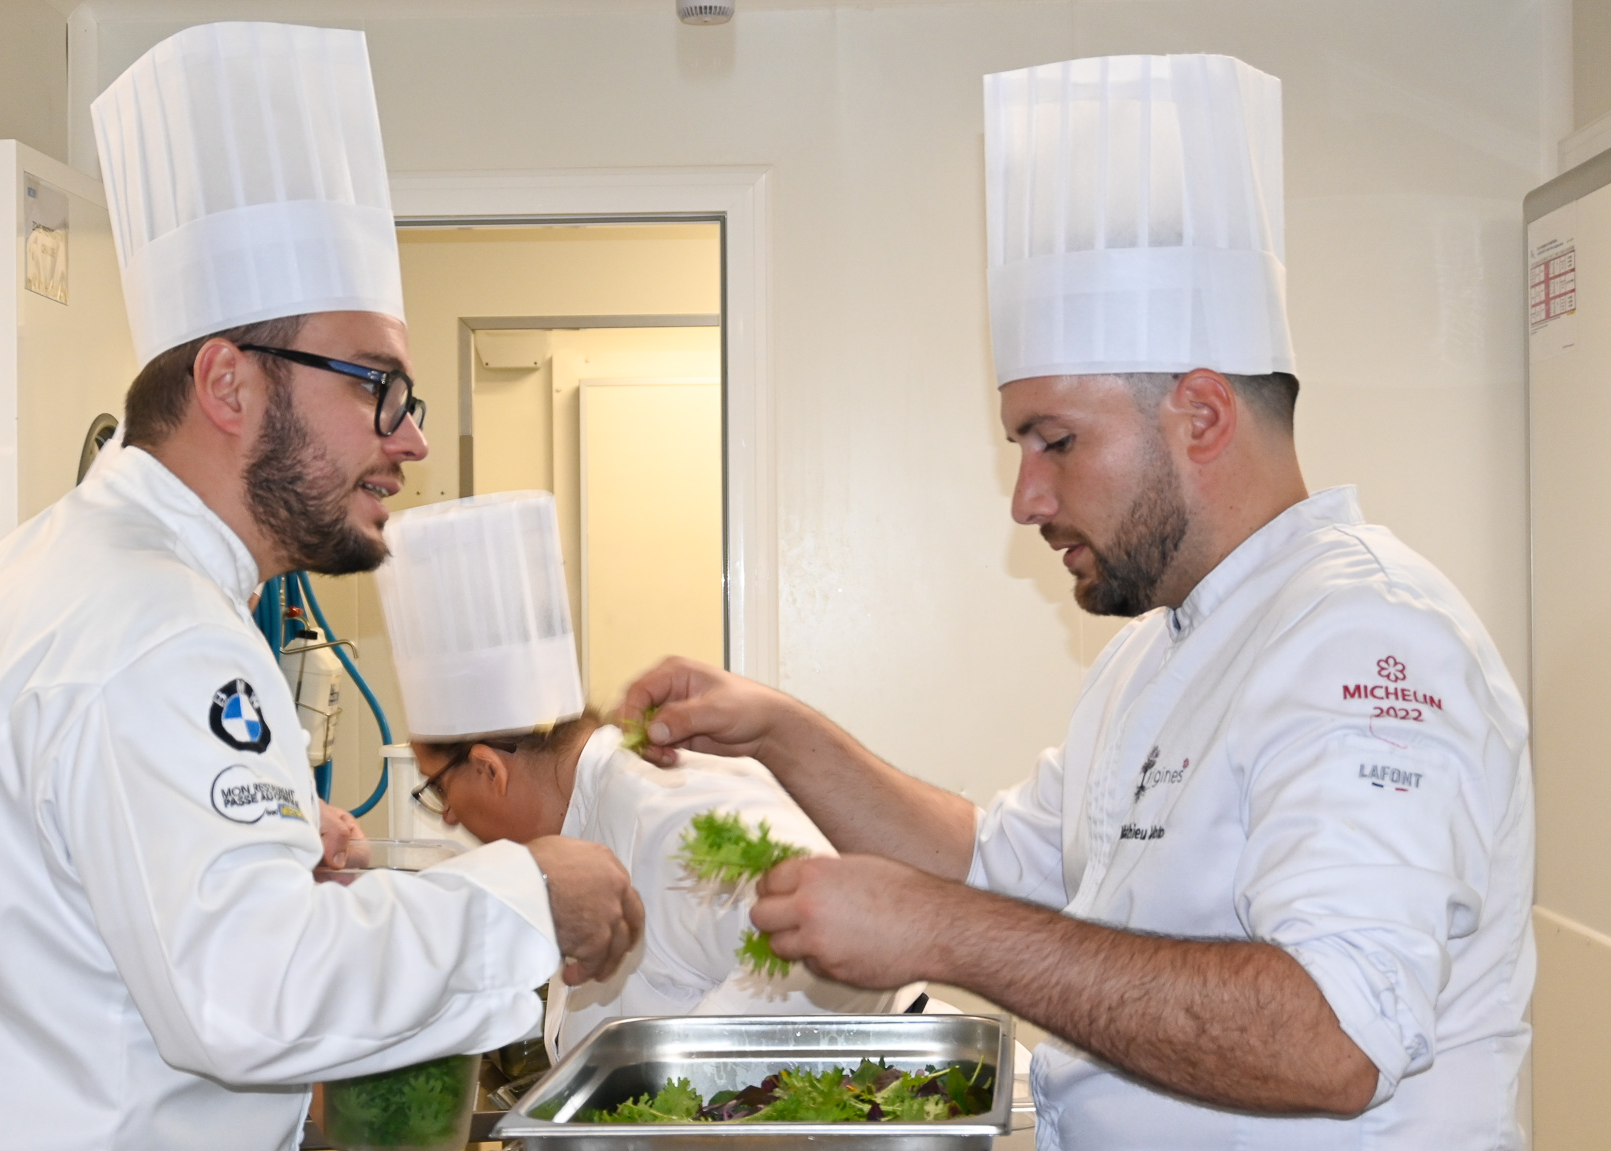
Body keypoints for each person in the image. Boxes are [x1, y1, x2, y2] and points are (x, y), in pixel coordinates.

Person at [622, 54, 1532, 1150]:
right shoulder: (1157, 653)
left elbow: (1333, 1036)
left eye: (1054, 440)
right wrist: (777, 729)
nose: (1024, 497)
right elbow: (988, 856)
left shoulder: (1369, 638)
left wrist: (941, 934)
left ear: (1198, 415)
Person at [0, 23, 643, 1151]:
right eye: (378, 387)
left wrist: (244, 859)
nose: (409, 440)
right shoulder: (163, 629)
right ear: (227, 381)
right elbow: (243, 997)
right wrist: (527, 895)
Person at [373, 493, 919, 1061]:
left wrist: (679, 1098)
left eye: (438, 789)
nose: (451, 816)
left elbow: (837, 955)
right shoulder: (589, 819)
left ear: (489, 768)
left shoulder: (667, 810)